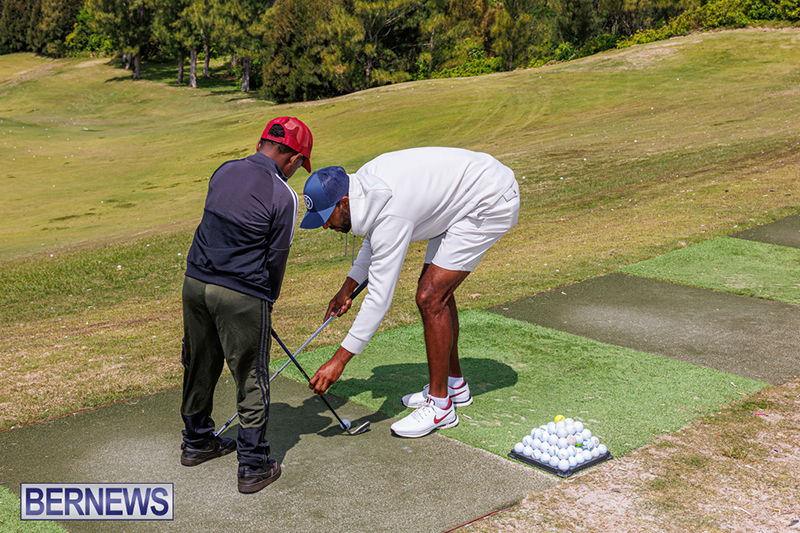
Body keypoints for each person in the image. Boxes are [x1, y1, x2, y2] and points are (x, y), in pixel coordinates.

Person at [300, 147, 519, 438]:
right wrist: (347, 287)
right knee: (436, 292)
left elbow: (379, 298)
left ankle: (440, 407)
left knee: (430, 296)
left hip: (488, 200)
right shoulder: (363, 187)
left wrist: (339, 361)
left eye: (328, 217)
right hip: (465, 196)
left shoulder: (391, 211)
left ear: (344, 202)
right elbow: (373, 240)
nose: (326, 225)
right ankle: (455, 385)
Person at [179, 116, 313, 493]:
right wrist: (265, 301)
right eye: (299, 165)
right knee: (251, 374)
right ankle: (253, 467)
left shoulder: (224, 170)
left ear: (262, 144)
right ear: (292, 157)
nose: (296, 171)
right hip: (239, 292)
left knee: (200, 361)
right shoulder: (283, 193)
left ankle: (196, 442)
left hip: (194, 283)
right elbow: (276, 258)